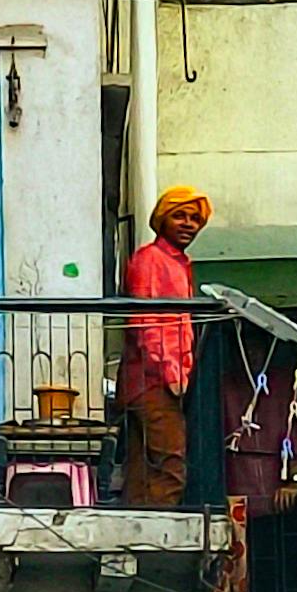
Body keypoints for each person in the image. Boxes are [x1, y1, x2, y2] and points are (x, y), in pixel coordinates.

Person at [117, 184, 209, 502]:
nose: (188, 224)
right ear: (163, 219)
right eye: (180, 216)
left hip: (157, 381)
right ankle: (162, 530)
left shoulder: (178, 263)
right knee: (171, 467)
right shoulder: (150, 259)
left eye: (194, 219)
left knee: (142, 471)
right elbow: (145, 322)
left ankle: (137, 528)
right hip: (153, 381)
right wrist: (172, 374)